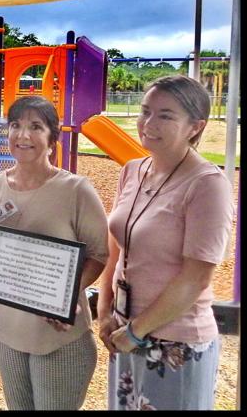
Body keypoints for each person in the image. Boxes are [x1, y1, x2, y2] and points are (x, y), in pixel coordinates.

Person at [97, 75, 234, 410]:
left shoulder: (207, 185)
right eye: (145, 111)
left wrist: (135, 332)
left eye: (166, 115)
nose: (148, 123)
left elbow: (195, 278)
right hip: (125, 332)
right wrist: (104, 310)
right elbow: (116, 247)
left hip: (175, 343)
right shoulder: (132, 170)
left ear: (195, 127)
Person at [0, 95, 108, 410]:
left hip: (58, 334)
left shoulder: (75, 190)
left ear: (52, 140)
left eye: (35, 127)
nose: (22, 135)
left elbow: (100, 254)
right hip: (5, 328)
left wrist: (69, 295)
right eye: (16, 125)